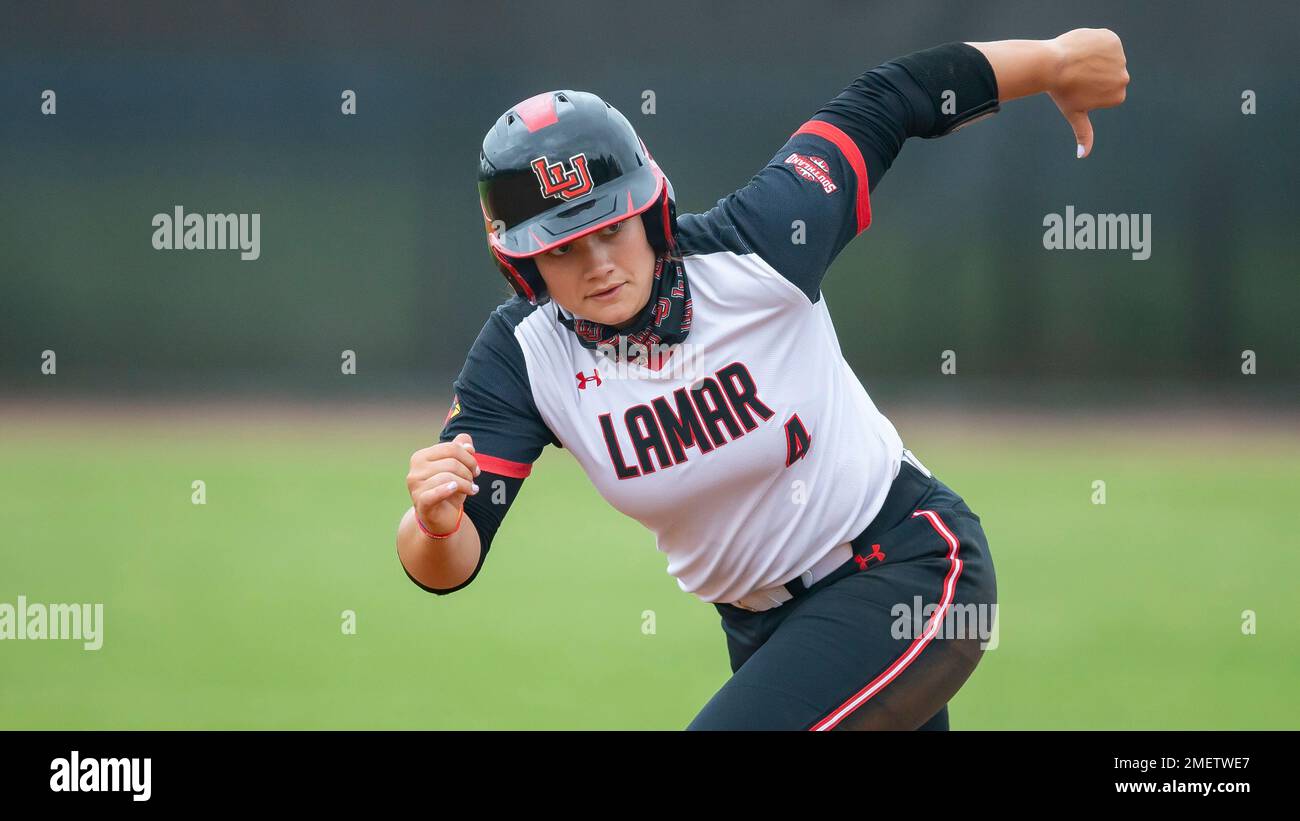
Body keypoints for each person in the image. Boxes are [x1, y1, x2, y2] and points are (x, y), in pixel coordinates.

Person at [397, 29, 1128, 730]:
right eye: (562, 248)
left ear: (650, 208)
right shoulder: (524, 357)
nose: (598, 265)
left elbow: (887, 98)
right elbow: (447, 563)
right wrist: (434, 525)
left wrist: (1054, 62)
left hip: (907, 566)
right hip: (766, 635)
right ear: (521, 263)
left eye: (611, 226)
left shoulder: (761, 245)